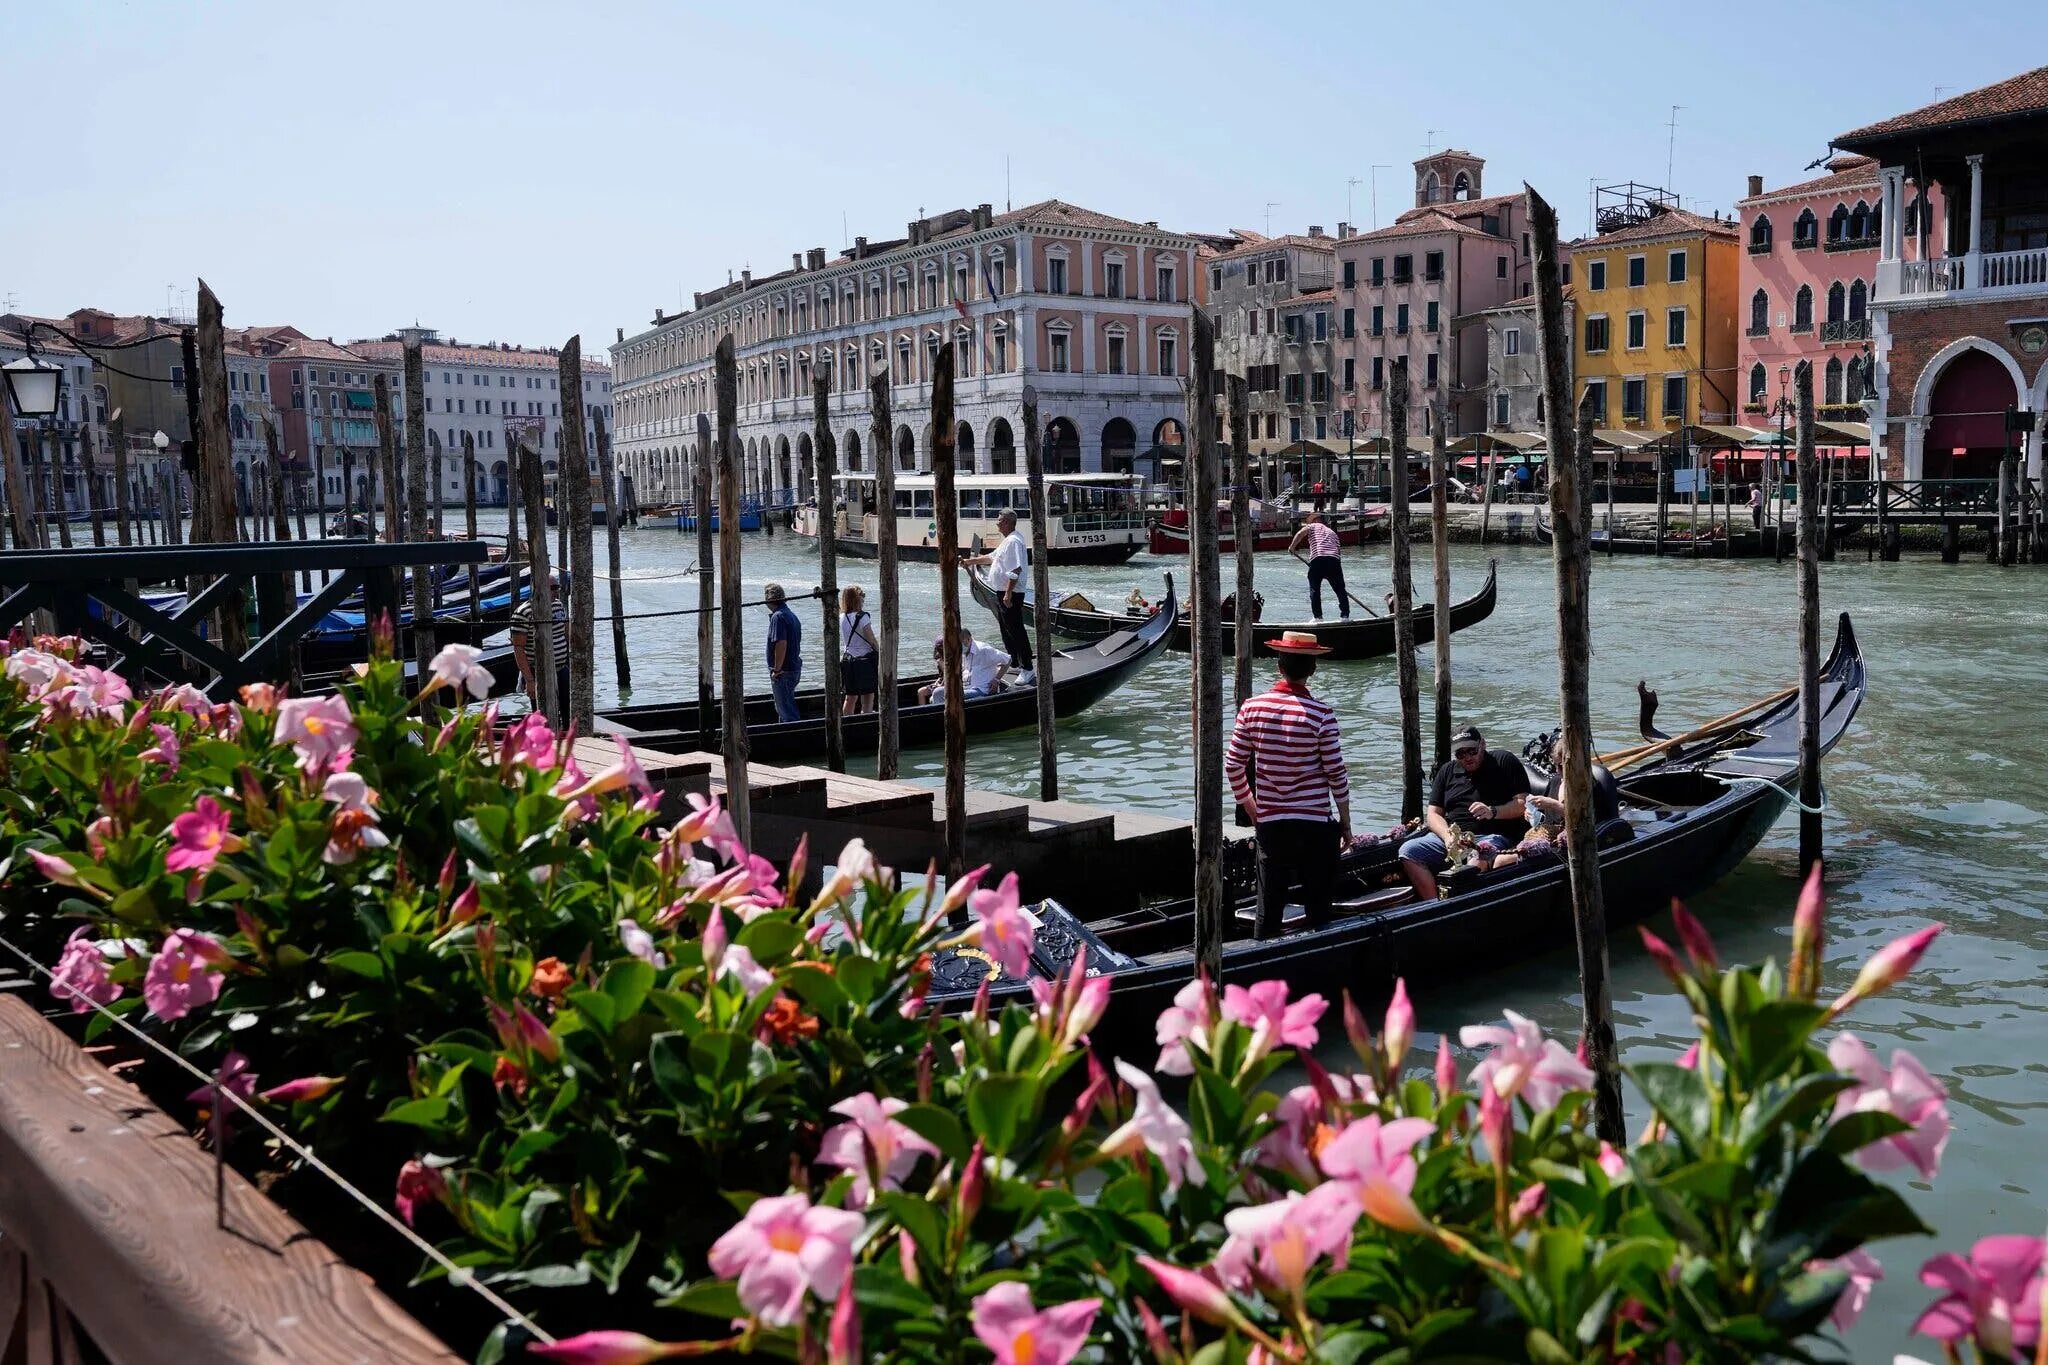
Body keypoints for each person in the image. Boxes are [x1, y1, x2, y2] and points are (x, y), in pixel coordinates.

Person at [1225, 631, 1352, 935]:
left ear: (1279, 666)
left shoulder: (1251, 708)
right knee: (1319, 908)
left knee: (1268, 909)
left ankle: (1260, 968)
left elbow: (1233, 767)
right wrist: (1345, 823)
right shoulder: (1322, 714)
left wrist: (1255, 811)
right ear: (1312, 669)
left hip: (1272, 825)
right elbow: (1336, 774)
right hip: (1314, 826)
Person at [1398, 725, 1531, 901]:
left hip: (1490, 836)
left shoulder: (1503, 761)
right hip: (1452, 837)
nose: (1467, 757)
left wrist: (1493, 811)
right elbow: (1433, 814)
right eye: (1461, 753)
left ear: (1482, 744)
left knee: (1477, 858)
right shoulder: (1447, 771)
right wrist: (1448, 838)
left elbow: (1523, 803)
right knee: (1408, 850)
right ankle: (1433, 905)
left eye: (1472, 751)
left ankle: (1463, 905)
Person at [959, 509, 1032, 669]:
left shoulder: (1013, 541)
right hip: (1003, 592)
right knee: (1006, 630)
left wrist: (1008, 593)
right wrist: (970, 562)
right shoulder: (1008, 541)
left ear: (1006, 522)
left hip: (1010, 593)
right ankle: (1013, 661)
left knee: (1015, 630)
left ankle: (1027, 668)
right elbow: (992, 558)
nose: (997, 523)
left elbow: (1016, 570)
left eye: (999, 520)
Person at [509, 570, 569, 710]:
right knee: (542, 712)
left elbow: (567, 632)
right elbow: (518, 648)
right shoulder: (523, 613)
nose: (557, 591)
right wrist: (529, 680)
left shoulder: (558, 605)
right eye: (553, 588)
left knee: (568, 709)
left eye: (557, 587)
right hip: (537, 672)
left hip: (561, 668)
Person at [917, 628, 1010, 705]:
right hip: (966, 688)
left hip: (981, 690)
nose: (958, 647)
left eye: (961, 643)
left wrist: (997, 679)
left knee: (938, 693)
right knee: (935, 696)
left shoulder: (983, 650)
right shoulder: (963, 652)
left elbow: (1008, 660)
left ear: (968, 639)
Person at [1287, 511, 1350, 621]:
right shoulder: (1332, 533)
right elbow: (1338, 552)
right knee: (1340, 589)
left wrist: (1292, 547)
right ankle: (1345, 615)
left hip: (1318, 558)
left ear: (1315, 520)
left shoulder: (1312, 526)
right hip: (1334, 560)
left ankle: (1318, 617)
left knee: (1314, 589)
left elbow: (1299, 534)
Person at [764, 582, 802, 724]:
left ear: (769, 599)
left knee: (786, 711)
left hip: (783, 671)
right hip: (794, 667)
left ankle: (793, 738)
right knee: (785, 706)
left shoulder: (778, 617)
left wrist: (777, 669)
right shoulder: (791, 615)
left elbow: (781, 643)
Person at [838, 584, 879, 715]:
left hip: (848, 659)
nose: (863, 601)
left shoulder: (841, 617)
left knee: (850, 696)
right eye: (862, 598)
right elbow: (871, 638)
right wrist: (879, 651)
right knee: (868, 695)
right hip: (865, 660)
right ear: (857, 599)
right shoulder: (863, 617)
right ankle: (866, 716)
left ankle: (847, 722)